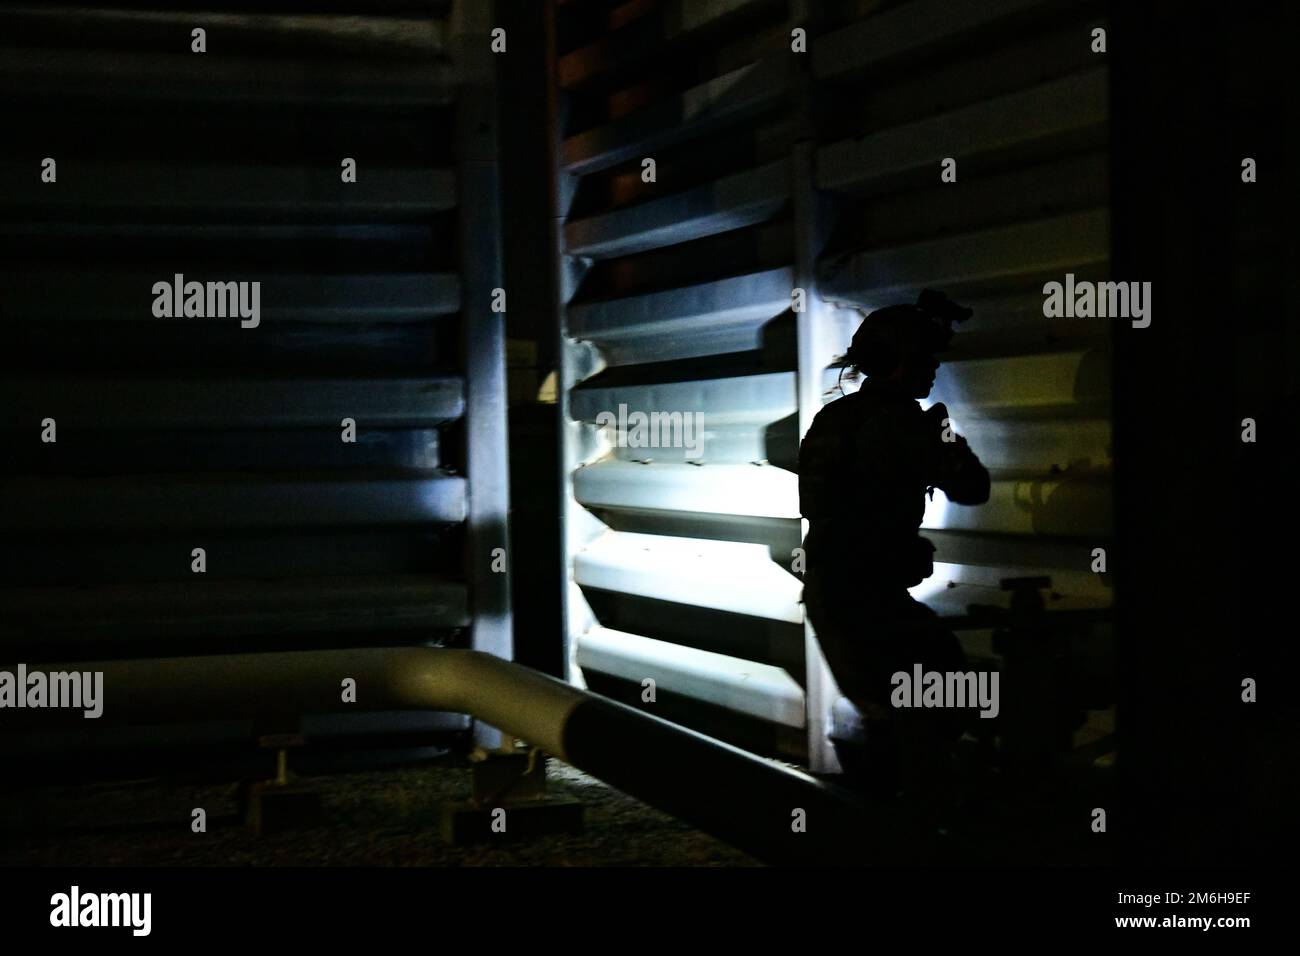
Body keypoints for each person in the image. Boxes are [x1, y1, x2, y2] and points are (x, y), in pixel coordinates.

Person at [798, 290, 989, 812]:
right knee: (938, 706)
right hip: (870, 601)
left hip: (834, 597)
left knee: (895, 718)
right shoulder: (905, 425)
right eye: (923, 359)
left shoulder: (833, 420)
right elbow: (974, 489)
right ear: (894, 363)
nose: (932, 370)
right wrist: (950, 444)